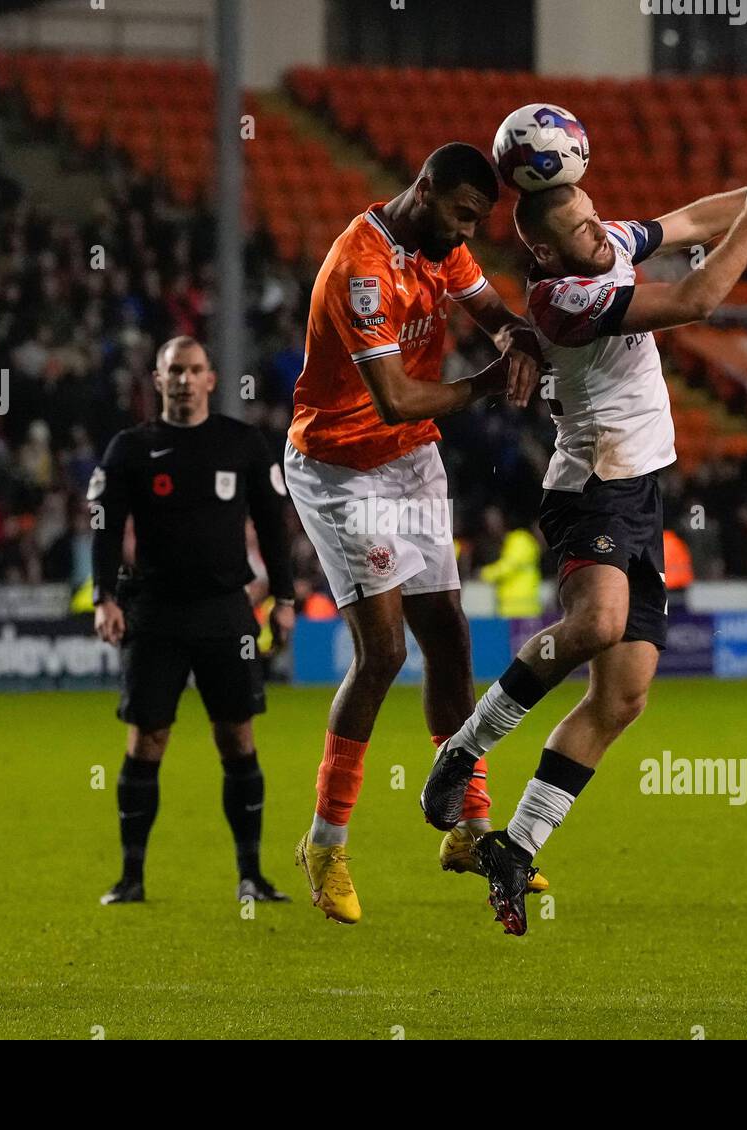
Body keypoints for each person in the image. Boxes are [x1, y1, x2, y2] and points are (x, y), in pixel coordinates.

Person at [420, 147, 747, 935]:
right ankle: (464, 751)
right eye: (580, 227)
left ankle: (516, 845)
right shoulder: (562, 299)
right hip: (592, 489)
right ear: (546, 252)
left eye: (593, 215)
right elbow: (697, 297)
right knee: (598, 623)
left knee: (623, 697)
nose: (598, 231)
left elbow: (688, 221)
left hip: (642, 490)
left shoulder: (601, 241)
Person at [284, 142, 546, 924]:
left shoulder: (440, 244)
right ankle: (325, 843)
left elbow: (491, 310)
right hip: (342, 466)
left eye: (477, 221)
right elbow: (395, 397)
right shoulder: (361, 269)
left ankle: (469, 829)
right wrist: (488, 383)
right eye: (462, 214)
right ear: (425, 190)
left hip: (410, 459)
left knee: (451, 640)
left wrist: (522, 338)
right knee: (384, 652)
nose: (467, 232)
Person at [90, 336, 296, 905]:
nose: (184, 380)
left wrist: (284, 598)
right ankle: (131, 878)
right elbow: (105, 525)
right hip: (153, 611)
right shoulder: (130, 448)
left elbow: (273, 526)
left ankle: (251, 876)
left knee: (236, 736)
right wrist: (103, 598)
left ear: (210, 379)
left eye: (194, 370)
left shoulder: (242, 443)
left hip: (225, 610)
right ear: (158, 380)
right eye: (174, 371)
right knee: (147, 738)